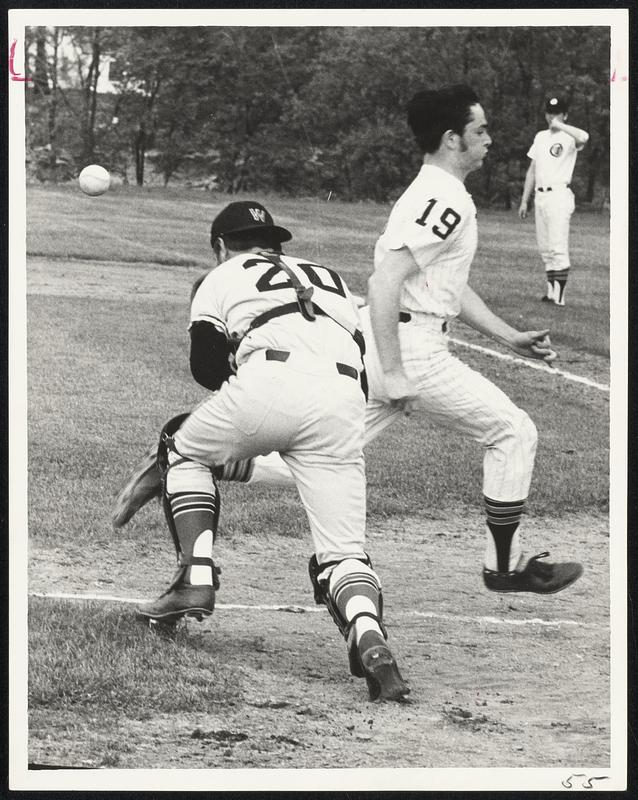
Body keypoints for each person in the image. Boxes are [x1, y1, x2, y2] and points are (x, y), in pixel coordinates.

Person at [115, 85, 583, 596]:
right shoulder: (447, 199)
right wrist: (401, 371)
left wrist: (509, 335)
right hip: (411, 346)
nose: (490, 139)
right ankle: (503, 567)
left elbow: (439, 280)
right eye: (480, 130)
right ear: (452, 139)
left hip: (377, 341)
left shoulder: (430, 189)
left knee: (318, 454)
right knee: (514, 432)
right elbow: (385, 282)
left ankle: (192, 461)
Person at [135, 200, 410, 703]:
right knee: (343, 551)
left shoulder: (221, 275)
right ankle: (368, 633)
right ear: (278, 245)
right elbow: (361, 358)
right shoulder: (328, 277)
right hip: (345, 398)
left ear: (222, 246)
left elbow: (206, 368)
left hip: (269, 379)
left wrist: (247, 405)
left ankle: (195, 576)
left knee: (182, 451)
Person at [518, 95, 589, 306]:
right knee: (545, 248)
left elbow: (584, 137)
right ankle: (550, 292)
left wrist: (561, 125)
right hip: (541, 195)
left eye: (557, 113)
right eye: (550, 113)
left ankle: (559, 297)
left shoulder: (569, 138)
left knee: (558, 246)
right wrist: (524, 200)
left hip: (559, 194)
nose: (552, 117)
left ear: (565, 115)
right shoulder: (540, 137)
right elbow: (532, 170)